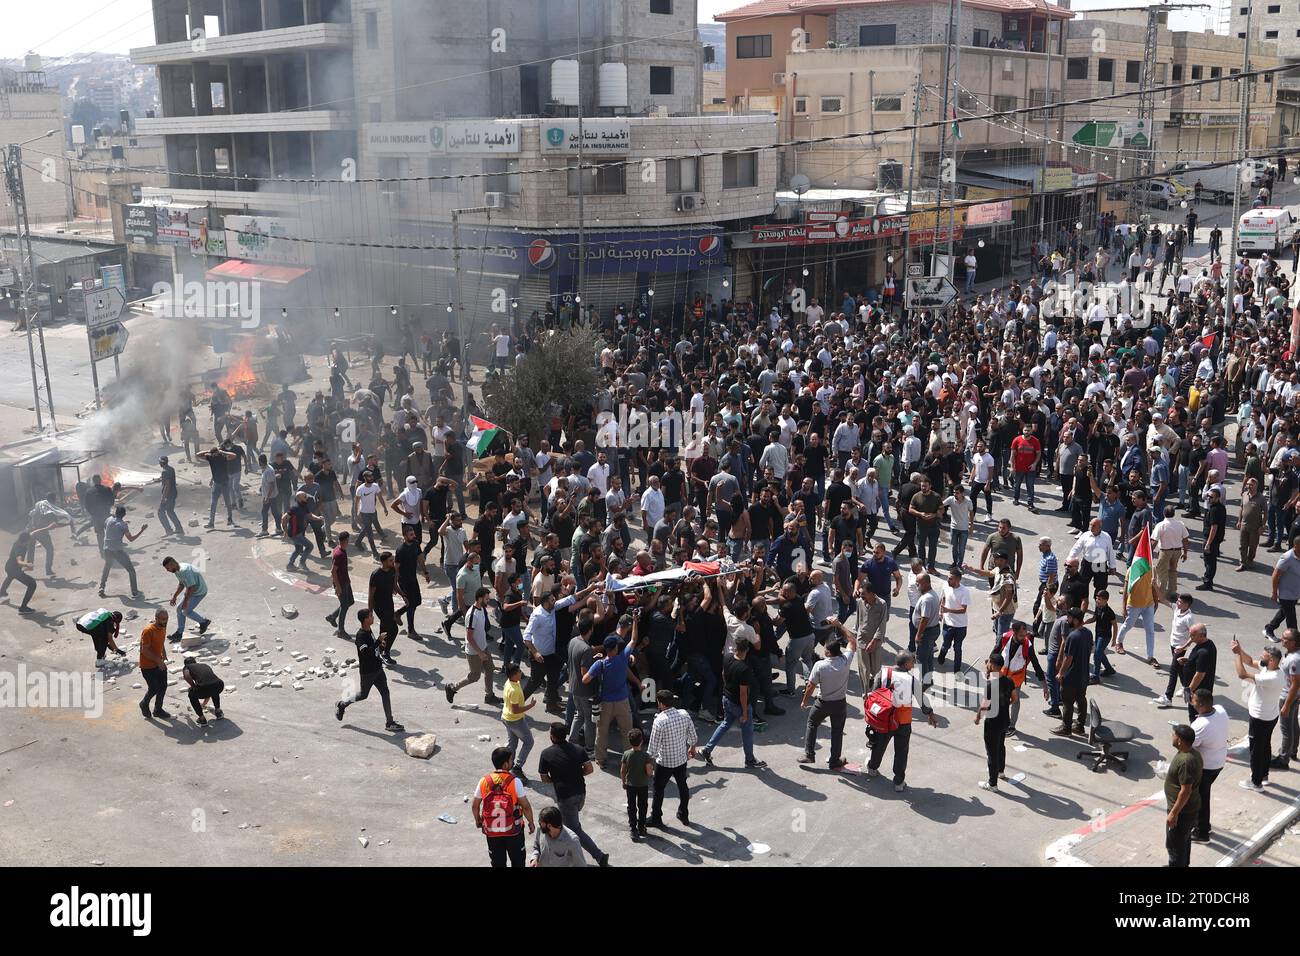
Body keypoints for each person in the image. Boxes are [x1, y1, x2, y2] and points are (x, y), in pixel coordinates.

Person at [537, 721, 608, 866]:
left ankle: (599, 856)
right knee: (567, 826)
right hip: (581, 794)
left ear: (552, 737)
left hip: (565, 798)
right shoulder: (578, 749)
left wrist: (557, 779)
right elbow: (589, 769)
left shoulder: (546, 754)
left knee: (574, 830)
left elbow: (544, 778)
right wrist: (574, 774)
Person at [864, 651, 936, 792]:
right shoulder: (911, 680)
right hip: (903, 721)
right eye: (912, 662)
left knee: (879, 744)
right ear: (906, 664)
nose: (913, 664)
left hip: (884, 719)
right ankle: (898, 782)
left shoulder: (883, 673)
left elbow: (874, 694)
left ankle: (872, 768)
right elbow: (922, 700)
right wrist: (930, 714)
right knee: (901, 751)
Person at [695, 635, 767, 769]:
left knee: (725, 724)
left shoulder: (727, 657)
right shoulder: (744, 669)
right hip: (738, 704)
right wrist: (745, 712)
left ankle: (707, 750)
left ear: (736, 647)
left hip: (726, 698)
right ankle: (749, 759)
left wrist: (727, 687)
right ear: (747, 649)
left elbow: (723, 673)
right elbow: (743, 693)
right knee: (747, 731)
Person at [334, 608, 405, 732]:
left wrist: (380, 644)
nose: (373, 617)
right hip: (368, 672)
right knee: (363, 695)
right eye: (371, 616)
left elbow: (373, 648)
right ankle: (342, 704)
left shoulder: (369, 630)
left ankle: (390, 722)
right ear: (365, 620)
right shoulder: (361, 635)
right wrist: (378, 641)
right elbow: (366, 652)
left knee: (385, 692)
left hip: (378, 668)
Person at [584, 628, 640, 766]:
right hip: (622, 702)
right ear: (615, 648)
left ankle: (600, 759)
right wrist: (635, 621)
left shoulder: (600, 664)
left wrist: (595, 664)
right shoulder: (623, 658)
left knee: (602, 732)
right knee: (627, 731)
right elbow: (633, 640)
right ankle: (629, 758)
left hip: (605, 703)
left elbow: (585, 679)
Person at [1230, 638, 1281, 792]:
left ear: (1271, 660)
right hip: (1270, 715)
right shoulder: (1272, 669)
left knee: (1256, 750)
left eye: (1264, 655)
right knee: (1265, 746)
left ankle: (1256, 782)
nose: (1260, 657)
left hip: (1260, 718)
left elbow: (1242, 674)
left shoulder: (1270, 677)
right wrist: (1239, 650)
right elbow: (1251, 660)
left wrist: (1236, 656)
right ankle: (1264, 776)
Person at [472, 746, 535, 868]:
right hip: (514, 832)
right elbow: (525, 806)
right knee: (518, 862)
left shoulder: (484, 781)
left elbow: (475, 806)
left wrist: (478, 820)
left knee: (497, 863)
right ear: (506, 764)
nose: (512, 762)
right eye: (511, 760)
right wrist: (531, 822)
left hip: (492, 832)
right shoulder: (515, 781)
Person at [647, 689, 698, 827]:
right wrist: (692, 747)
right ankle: (684, 814)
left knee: (658, 789)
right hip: (681, 759)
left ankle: (656, 817)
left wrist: (649, 763)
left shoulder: (660, 721)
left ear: (661, 703)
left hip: (665, 762)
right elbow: (692, 735)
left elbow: (653, 747)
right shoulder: (684, 714)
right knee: (683, 786)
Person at [798, 638, 851, 769]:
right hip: (840, 704)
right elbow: (852, 642)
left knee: (812, 723)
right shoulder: (845, 660)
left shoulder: (820, 665)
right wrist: (839, 625)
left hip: (822, 703)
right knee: (837, 731)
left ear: (828, 652)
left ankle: (809, 755)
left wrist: (804, 701)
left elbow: (811, 686)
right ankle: (834, 761)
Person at [445, 587, 502, 706]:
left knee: (490, 670)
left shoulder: (482, 609)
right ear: (480, 598)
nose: (488, 601)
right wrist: (480, 653)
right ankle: (452, 688)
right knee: (474, 676)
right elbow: (469, 637)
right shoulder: (472, 614)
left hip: (483, 647)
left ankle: (489, 695)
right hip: (474, 651)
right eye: (486, 599)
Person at [1189, 688, 1228, 843]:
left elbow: (1189, 746)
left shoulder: (1199, 725)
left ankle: (1202, 832)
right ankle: (1203, 824)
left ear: (1201, 704)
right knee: (1202, 795)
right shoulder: (1220, 710)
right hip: (1218, 762)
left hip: (1205, 767)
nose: (1191, 700)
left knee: (1201, 798)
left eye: (1194, 699)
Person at [1164, 724, 1203, 868]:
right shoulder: (1189, 753)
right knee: (1184, 842)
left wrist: (1174, 813)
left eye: (1173, 735)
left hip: (1182, 812)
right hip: (1187, 810)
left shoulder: (1186, 761)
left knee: (1175, 847)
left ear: (1179, 740)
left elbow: (1186, 790)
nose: (1171, 737)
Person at [975, 651, 1015, 791]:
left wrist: (978, 717)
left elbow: (984, 706)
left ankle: (992, 784)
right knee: (1000, 745)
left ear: (992, 665)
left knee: (991, 752)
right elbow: (1015, 698)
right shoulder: (1009, 680)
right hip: (1005, 719)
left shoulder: (991, 685)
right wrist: (1004, 704)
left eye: (988, 662)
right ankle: (1000, 772)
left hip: (993, 722)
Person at [1052, 607, 1092, 737]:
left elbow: (1068, 659)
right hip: (1084, 675)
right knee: (1081, 699)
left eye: (1069, 618)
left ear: (1075, 620)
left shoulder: (1073, 636)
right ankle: (1080, 726)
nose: (1067, 620)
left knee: (1067, 703)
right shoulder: (1088, 633)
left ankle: (1066, 728)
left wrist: (1061, 673)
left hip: (1071, 677)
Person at [98, 506, 145, 599]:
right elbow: (131, 539)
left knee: (107, 567)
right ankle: (134, 592)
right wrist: (142, 530)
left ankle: (101, 587)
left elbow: (110, 526)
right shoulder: (123, 525)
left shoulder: (109, 519)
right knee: (131, 570)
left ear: (115, 513)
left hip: (107, 548)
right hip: (117, 551)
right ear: (124, 515)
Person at [500, 662, 535, 780]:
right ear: (514, 675)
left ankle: (506, 766)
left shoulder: (511, 682)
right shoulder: (514, 690)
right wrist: (531, 705)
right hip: (515, 720)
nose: (521, 673)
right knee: (529, 742)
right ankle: (517, 767)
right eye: (519, 671)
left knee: (512, 744)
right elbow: (515, 710)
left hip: (506, 717)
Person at [163, 556, 211, 641]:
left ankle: (203, 622)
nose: (167, 570)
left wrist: (185, 602)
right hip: (192, 591)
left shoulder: (185, 570)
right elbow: (182, 584)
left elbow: (192, 587)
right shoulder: (177, 570)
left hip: (199, 592)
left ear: (172, 564)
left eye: (167, 568)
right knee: (179, 609)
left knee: (185, 611)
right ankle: (179, 633)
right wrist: (174, 596)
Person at [621, 727, 653, 841]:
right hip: (643, 786)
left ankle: (633, 829)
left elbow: (623, 770)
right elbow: (649, 773)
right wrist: (651, 767)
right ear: (642, 741)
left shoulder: (626, 754)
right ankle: (642, 826)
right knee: (643, 806)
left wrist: (623, 781)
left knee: (632, 807)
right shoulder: (645, 756)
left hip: (630, 785)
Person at [138, 608, 171, 720]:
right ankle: (144, 703)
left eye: (166, 618)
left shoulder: (163, 627)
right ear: (156, 618)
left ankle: (158, 710)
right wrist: (158, 661)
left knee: (163, 686)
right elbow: (144, 650)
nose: (165, 621)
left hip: (159, 662)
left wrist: (164, 653)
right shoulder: (148, 631)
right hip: (147, 666)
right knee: (154, 688)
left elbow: (161, 642)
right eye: (162, 619)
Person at [1181, 623, 1217, 723]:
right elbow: (1202, 664)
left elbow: (1200, 674)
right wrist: (1189, 661)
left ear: (1202, 635)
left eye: (1193, 635)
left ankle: (1196, 736)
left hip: (1198, 692)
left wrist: (1189, 691)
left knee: (1195, 717)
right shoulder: (1208, 644)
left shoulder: (1203, 652)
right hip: (1200, 690)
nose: (1190, 637)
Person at [182, 656, 225, 726]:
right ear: (195, 662)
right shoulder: (204, 665)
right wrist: (204, 704)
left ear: (186, 664)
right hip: (219, 685)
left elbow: (186, 676)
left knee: (191, 694)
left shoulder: (187, 667)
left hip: (206, 688)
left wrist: (193, 686)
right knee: (213, 687)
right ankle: (218, 711)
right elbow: (208, 684)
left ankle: (202, 719)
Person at [0, 531, 37, 613]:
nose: (31, 541)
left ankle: (1, 592)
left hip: (8, 567)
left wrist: (47, 527)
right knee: (32, 584)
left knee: (10, 577)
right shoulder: (21, 549)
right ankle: (23, 608)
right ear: (26, 541)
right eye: (29, 540)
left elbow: (32, 533)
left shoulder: (17, 542)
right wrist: (27, 564)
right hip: (14, 569)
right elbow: (19, 561)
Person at [325, 532, 354, 637]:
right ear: (345, 540)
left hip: (345, 581)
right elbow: (333, 571)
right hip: (341, 584)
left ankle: (332, 616)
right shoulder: (339, 554)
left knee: (350, 601)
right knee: (344, 605)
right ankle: (341, 630)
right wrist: (337, 586)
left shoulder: (339, 549)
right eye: (348, 540)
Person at [157, 456, 181, 536]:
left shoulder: (164, 472)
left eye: (159, 462)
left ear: (161, 463)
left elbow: (167, 486)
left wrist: (163, 498)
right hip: (173, 493)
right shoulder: (171, 469)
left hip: (168, 494)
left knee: (160, 512)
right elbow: (169, 480)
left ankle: (168, 530)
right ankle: (179, 528)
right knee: (170, 511)